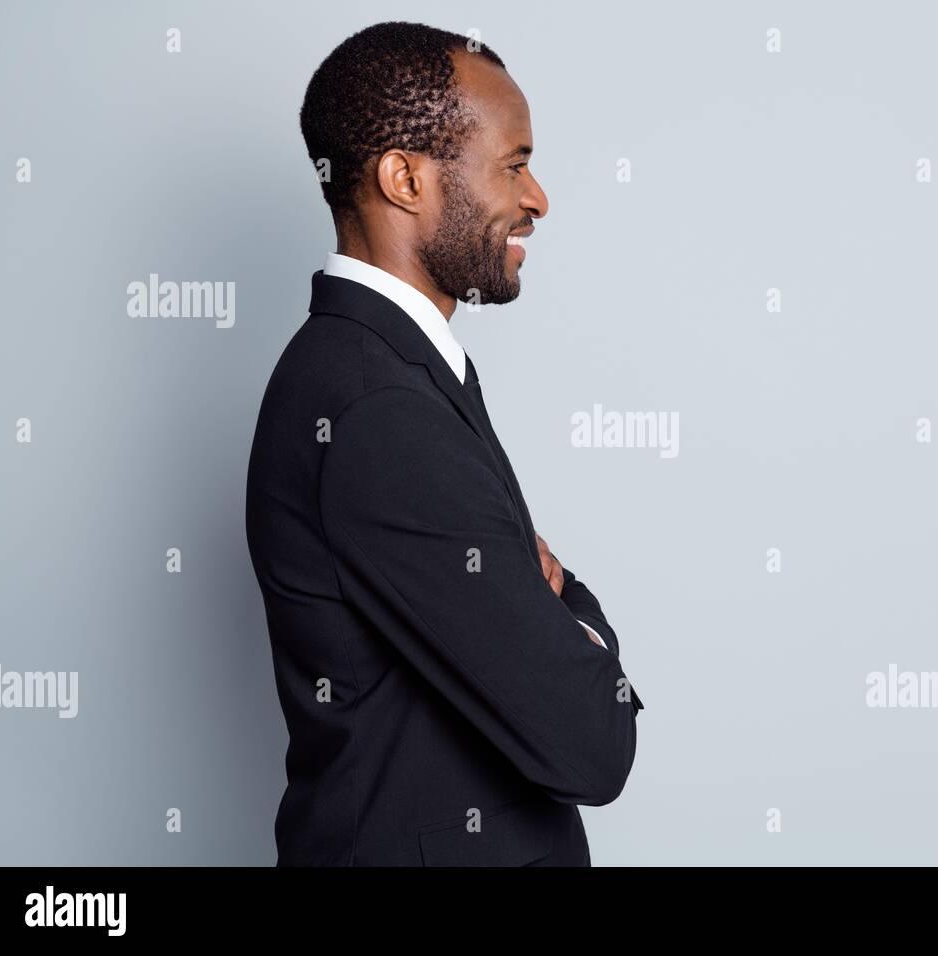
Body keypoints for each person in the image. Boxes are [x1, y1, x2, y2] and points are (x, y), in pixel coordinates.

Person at [245, 21, 643, 866]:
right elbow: (589, 746)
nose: (537, 198)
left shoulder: (388, 369)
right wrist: (571, 600)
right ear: (405, 178)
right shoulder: (378, 404)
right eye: (512, 165)